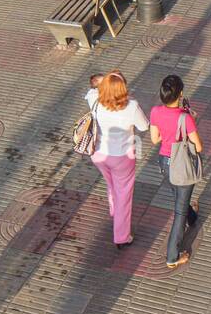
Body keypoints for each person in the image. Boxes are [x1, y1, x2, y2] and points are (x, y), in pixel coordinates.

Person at [86, 72, 149, 248]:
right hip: (122, 157)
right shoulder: (131, 106)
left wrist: (104, 80)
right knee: (124, 195)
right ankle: (122, 236)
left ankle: (113, 208)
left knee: (111, 182)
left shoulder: (95, 100)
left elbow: (92, 87)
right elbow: (144, 126)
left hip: (98, 154)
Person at [149, 75, 203, 270]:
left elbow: (154, 139)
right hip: (181, 165)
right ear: (180, 94)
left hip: (164, 163)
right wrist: (187, 124)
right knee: (179, 210)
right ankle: (172, 256)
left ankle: (193, 217)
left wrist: (170, 132)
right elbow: (198, 146)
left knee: (179, 196)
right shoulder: (185, 118)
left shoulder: (155, 111)